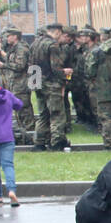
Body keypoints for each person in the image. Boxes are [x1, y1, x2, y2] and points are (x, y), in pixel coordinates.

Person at [31, 23, 72, 151]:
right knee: (57, 114)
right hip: (51, 83)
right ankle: (57, 142)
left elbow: (31, 65)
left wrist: (34, 83)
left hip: (37, 82)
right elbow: (56, 67)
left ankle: (39, 142)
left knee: (43, 114)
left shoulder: (35, 43)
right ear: (58, 32)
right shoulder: (52, 45)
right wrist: (64, 73)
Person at [0, 72, 23, 206]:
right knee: (8, 165)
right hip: (7, 137)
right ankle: (12, 191)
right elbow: (19, 105)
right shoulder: (7, 94)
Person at [0, 29, 35, 144]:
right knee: (18, 112)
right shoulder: (14, 49)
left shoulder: (21, 49)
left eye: (9, 36)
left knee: (24, 110)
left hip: (21, 84)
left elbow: (20, 66)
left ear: (15, 37)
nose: (7, 39)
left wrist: (4, 65)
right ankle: (23, 135)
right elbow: (11, 59)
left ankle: (30, 134)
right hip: (14, 84)